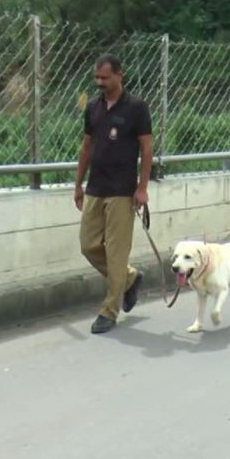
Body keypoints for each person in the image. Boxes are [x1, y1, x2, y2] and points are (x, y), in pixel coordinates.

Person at [74, 54, 153, 334]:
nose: (99, 82)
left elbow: (146, 149)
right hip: (96, 188)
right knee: (88, 245)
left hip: (122, 191)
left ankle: (109, 311)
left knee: (116, 254)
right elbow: (86, 147)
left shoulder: (136, 108)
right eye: (97, 77)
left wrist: (142, 188)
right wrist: (78, 184)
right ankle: (129, 278)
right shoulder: (93, 107)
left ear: (120, 75)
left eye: (105, 78)